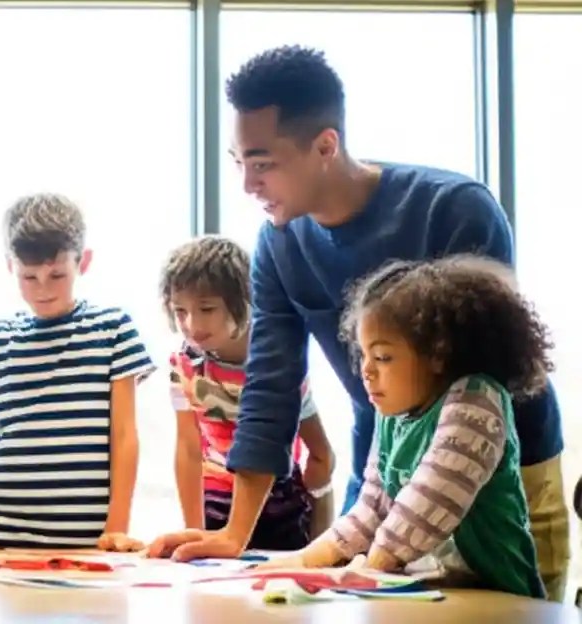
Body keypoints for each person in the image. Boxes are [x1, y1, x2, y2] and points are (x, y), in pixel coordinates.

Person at [146, 45, 569, 601]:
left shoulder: (455, 208)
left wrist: (380, 556)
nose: (247, 184)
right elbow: (271, 388)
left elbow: (476, 393)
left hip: (502, 474)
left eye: (262, 163)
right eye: (238, 163)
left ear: (326, 145)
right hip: (383, 463)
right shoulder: (279, 245)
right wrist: (234, 534)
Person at [258, 255, 548, 599]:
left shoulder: (475, 400)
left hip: (499, 596)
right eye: (363, 355)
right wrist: (303, 560)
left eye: (382, 357)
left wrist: (368, 570)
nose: (366, 371)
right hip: (436, 593)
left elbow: (430, 498)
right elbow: (371, 507)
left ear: (438, 353)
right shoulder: (391, 416)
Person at [0, 193, 155, 553]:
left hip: (90, 541)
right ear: (9, 266)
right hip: (5, 539)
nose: (43, 288)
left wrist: (117, 527)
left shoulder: (114, 329)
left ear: (83, 261)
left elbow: (124, 435)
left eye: (57, 274)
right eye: (29, 276)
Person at [156, 235, 335, 552]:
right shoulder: (183, 364)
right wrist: (193, 530)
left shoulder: (275, 361)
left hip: (279, 496)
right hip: (216, 497)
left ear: (243, 300)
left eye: (206, 308)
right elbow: (188, 448)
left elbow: (321, 454)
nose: (191, 324)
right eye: (180, 311)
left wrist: (321, 539)